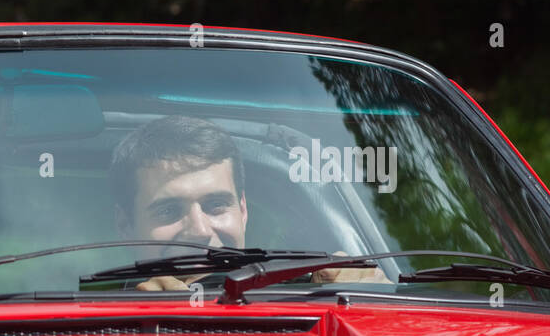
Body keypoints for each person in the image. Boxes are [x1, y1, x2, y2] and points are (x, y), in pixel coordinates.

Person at [109, 115, 387, 291]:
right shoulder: (90, 322)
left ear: (243, 210)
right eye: (169, 210)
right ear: (126, 225)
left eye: (216, 204)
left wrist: (374, 300)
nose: (199, 231)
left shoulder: (309, 300)